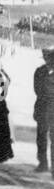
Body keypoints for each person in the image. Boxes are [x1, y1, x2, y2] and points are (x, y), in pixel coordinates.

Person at [36, 47, 54, 175]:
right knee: (41, 137)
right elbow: (36, 89)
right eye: (46, 57)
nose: (48, 59)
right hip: (42, 108)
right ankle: (43, 163)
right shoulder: (39, 71)